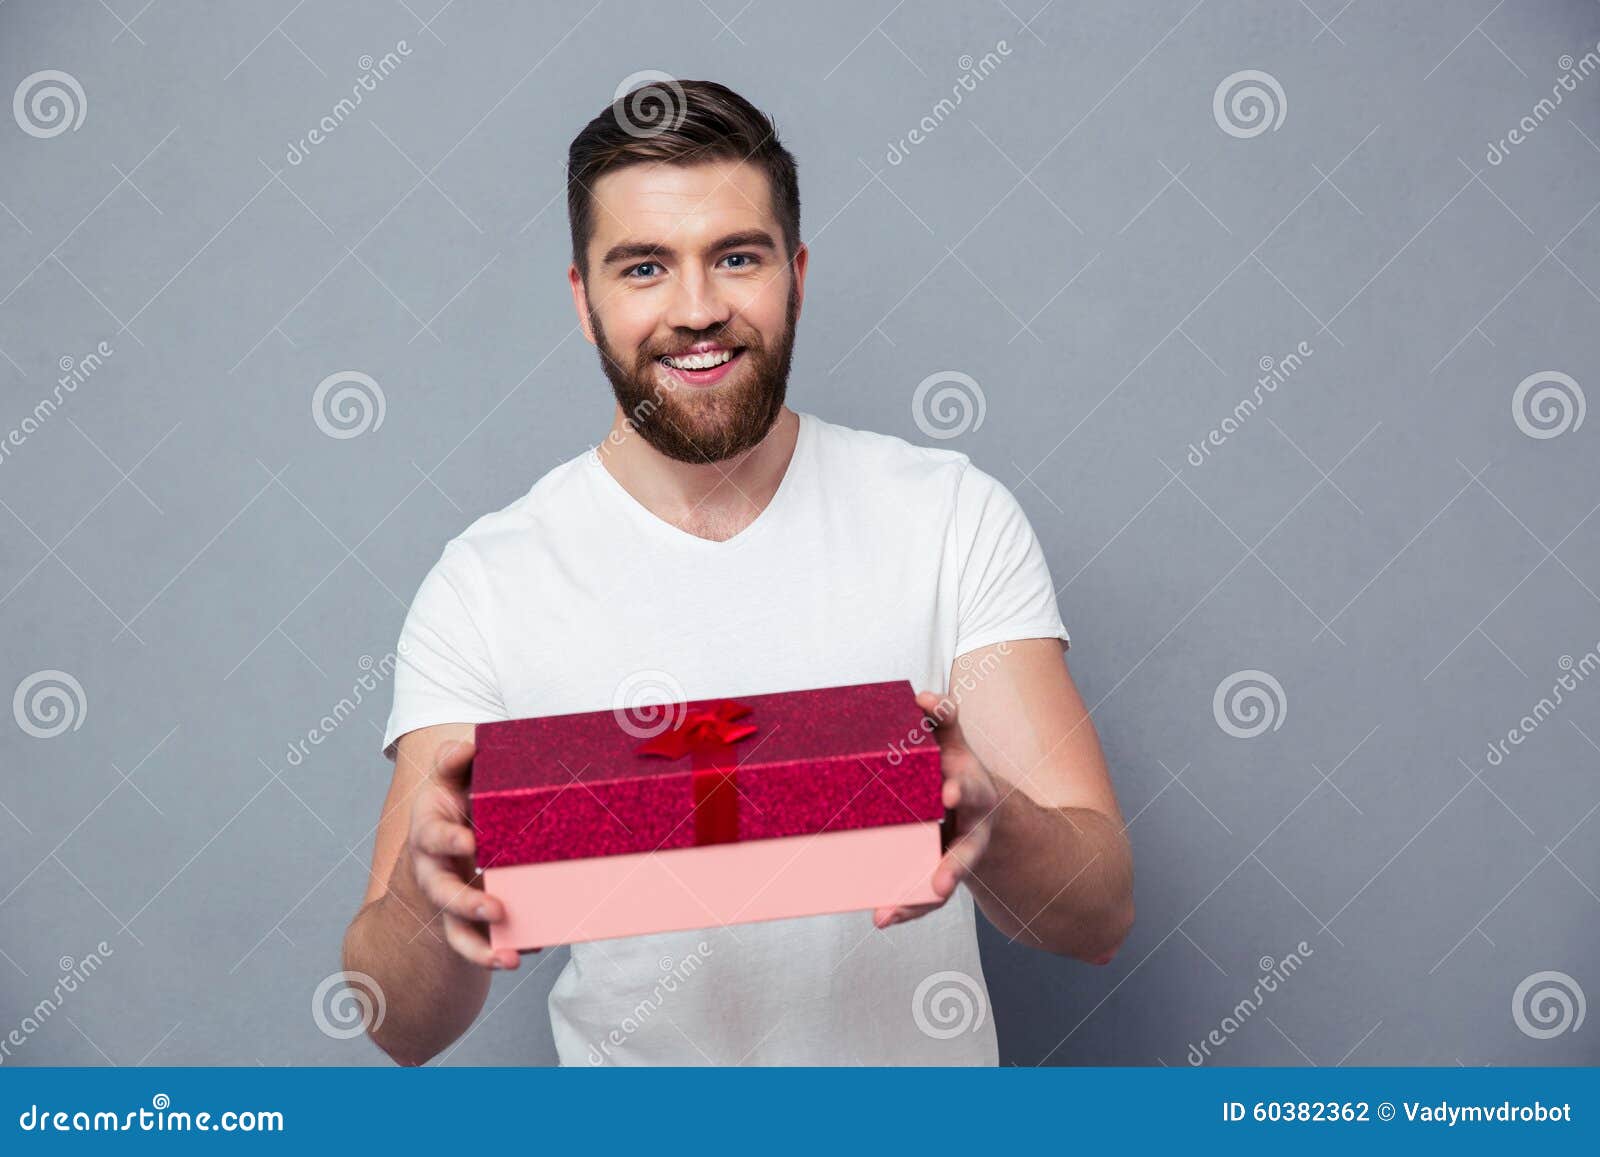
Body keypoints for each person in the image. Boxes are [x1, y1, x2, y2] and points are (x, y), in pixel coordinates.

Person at [341, 79, 1133, 1066]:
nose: (698, 309)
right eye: (643, 267)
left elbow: (1097, 913)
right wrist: (428, 889)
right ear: (584, 303)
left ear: (795, 275)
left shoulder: (947, 516)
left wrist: (991, 817)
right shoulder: (486, 584)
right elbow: (399, 1023)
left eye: (737, 257)